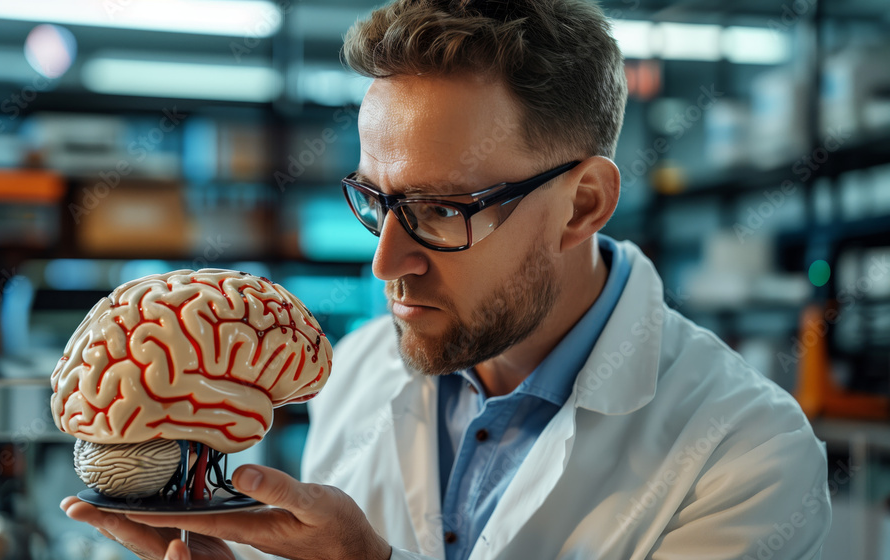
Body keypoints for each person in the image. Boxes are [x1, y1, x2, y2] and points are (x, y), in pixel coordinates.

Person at [62, 0, 833, 558]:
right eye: (374, 200)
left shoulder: (749, 454)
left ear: (583, 204)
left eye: (439, 209)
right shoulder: (358, 372)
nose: (386, 261)